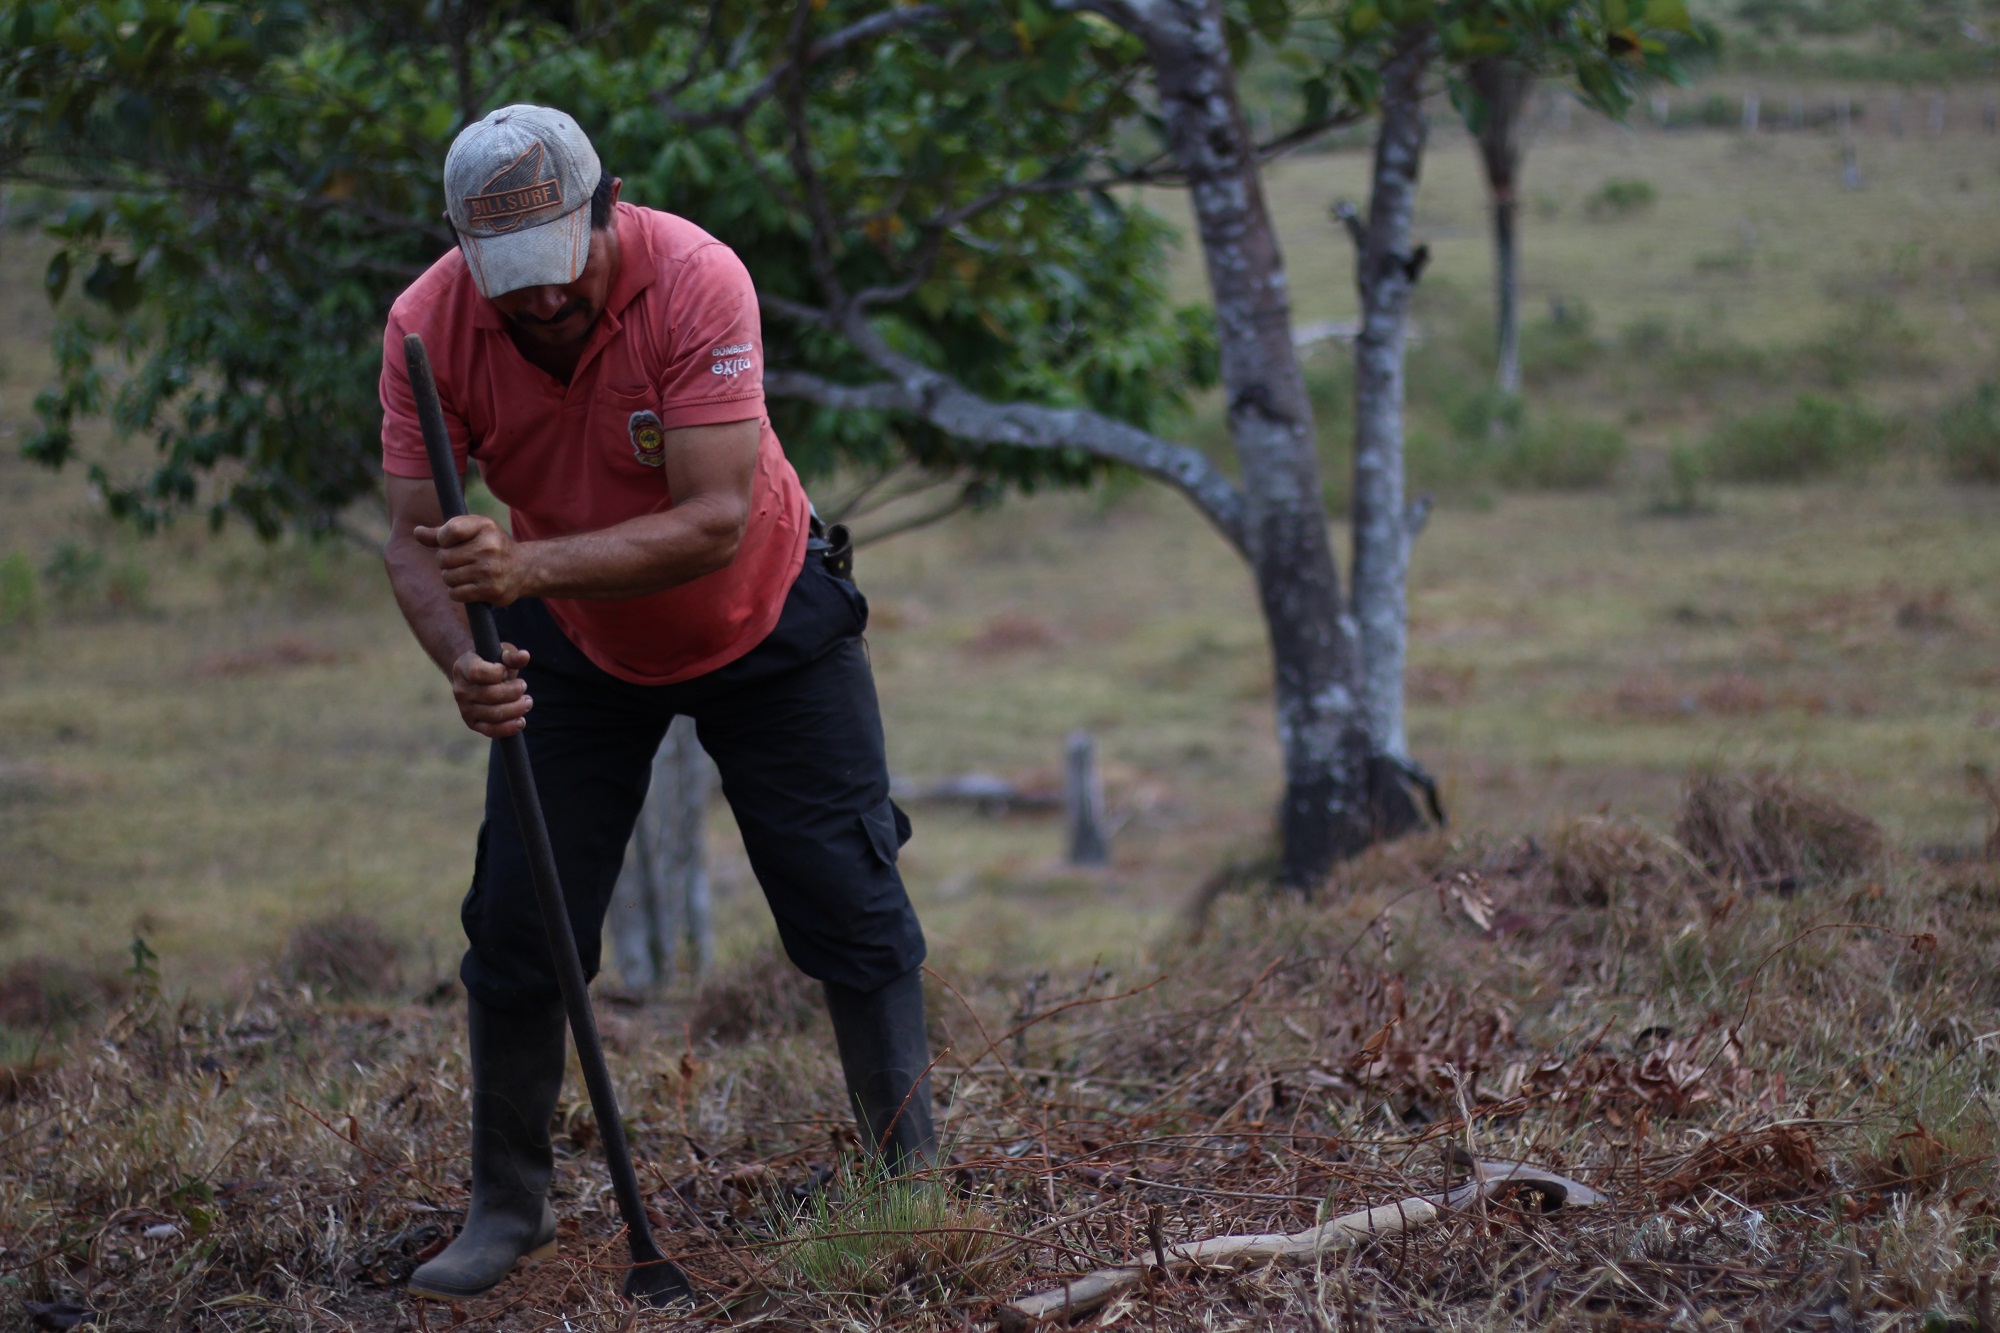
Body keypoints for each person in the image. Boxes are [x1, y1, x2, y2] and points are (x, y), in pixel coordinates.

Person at [377, 105, 934, 1303]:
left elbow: (710, 520)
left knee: (851, 897)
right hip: (573, 645)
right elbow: (414, 540)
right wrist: (463, 664)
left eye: (559, 269)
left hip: (766, 618)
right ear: (464, 252)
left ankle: (908, 1185)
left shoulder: (697, 282)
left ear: (607, 203)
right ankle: (506, 1205)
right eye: (508, 282)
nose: (539, 303)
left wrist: (523, 568)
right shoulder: (426, 323)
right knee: (520, 924)